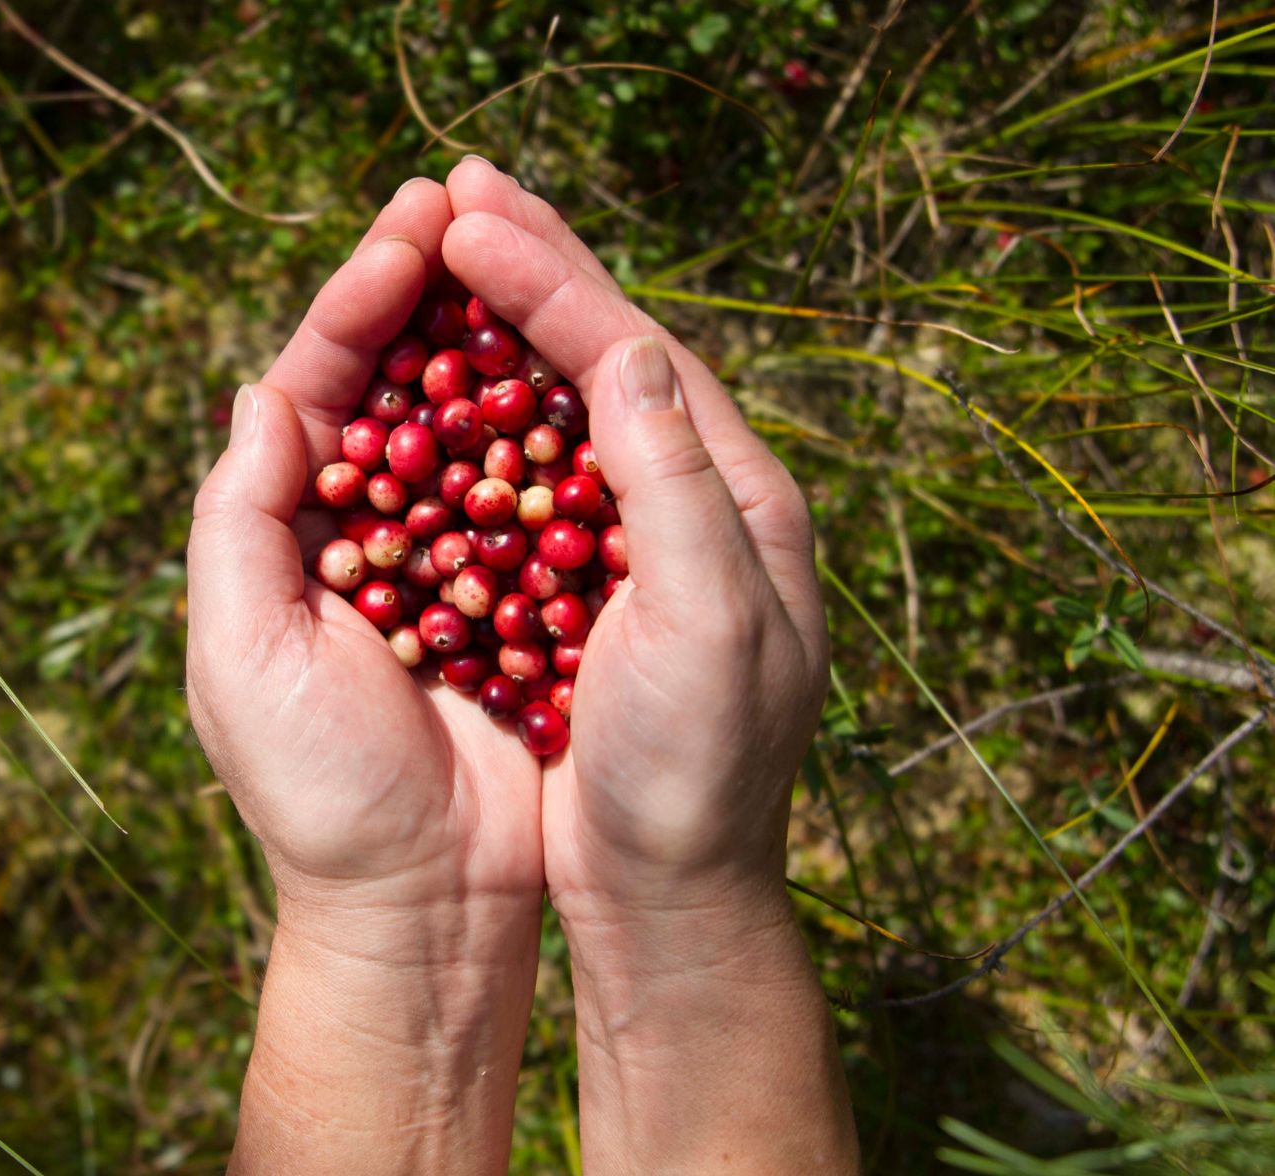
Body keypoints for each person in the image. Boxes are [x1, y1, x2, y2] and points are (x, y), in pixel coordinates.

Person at [185, 156, 859, 1174]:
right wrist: (691, 890)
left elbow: (471, 530)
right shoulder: (462, 524)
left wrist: (391, 909)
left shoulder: (469, 503)